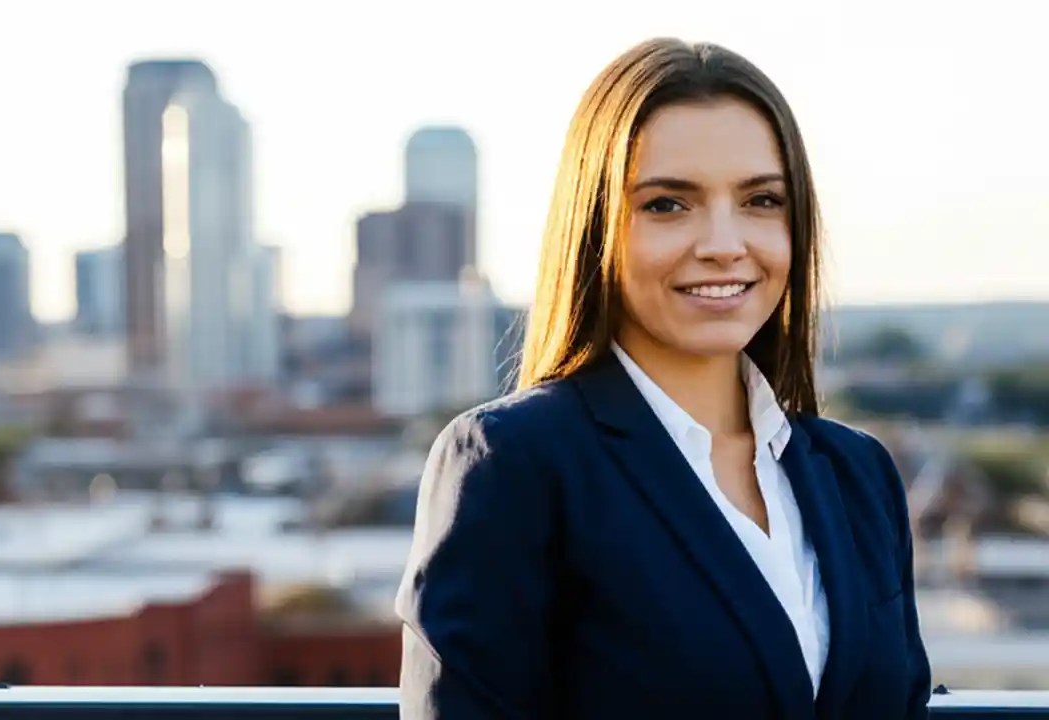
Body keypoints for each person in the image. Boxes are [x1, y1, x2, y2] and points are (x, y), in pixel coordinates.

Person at [395, 38, 931, 719]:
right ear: (597, 229)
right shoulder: (515, 465)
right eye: (667, 205)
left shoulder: (858, 475)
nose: (723, 243)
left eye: (762, 200)